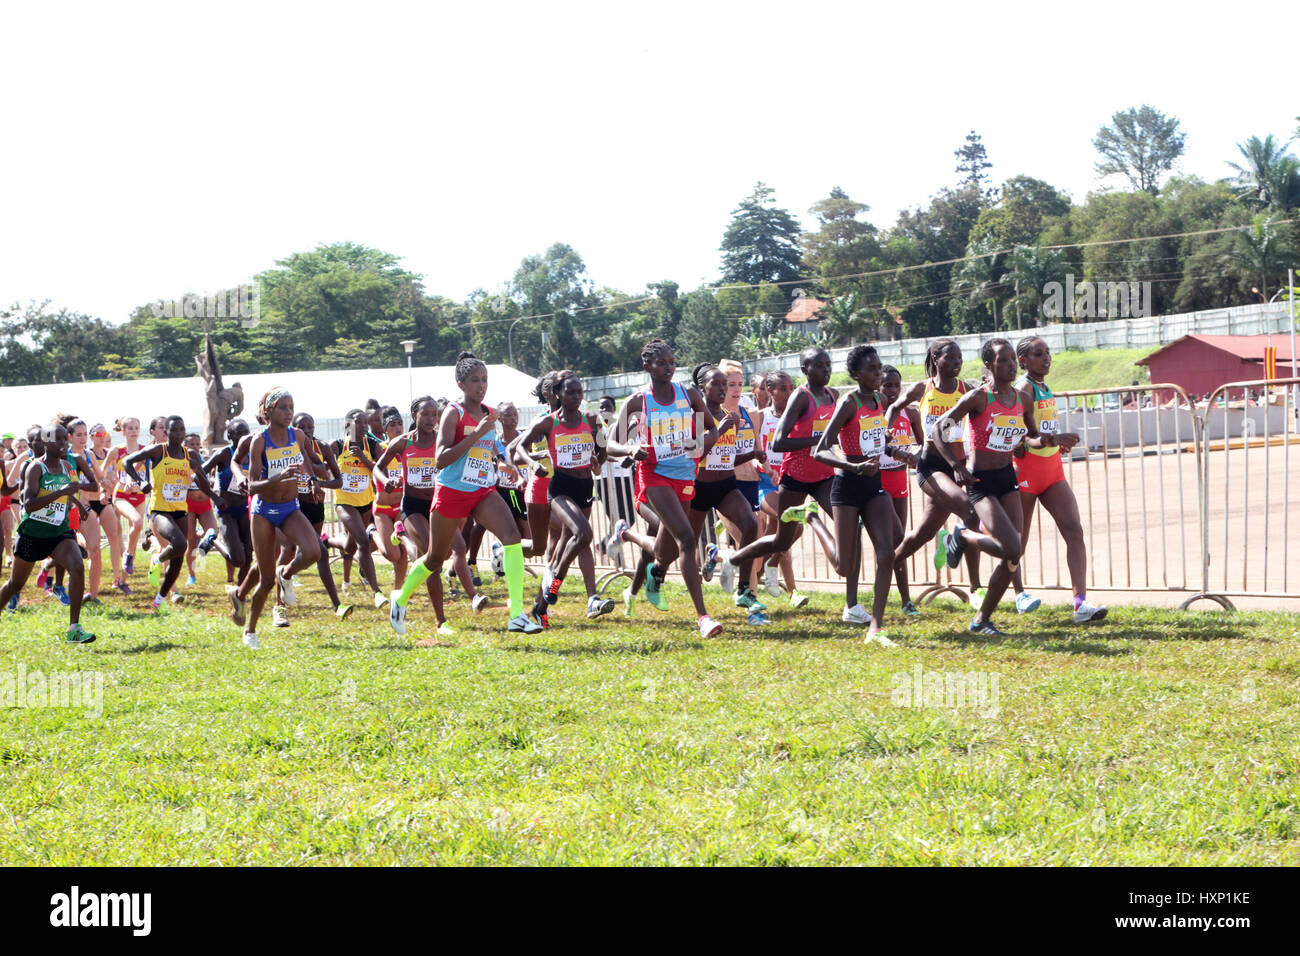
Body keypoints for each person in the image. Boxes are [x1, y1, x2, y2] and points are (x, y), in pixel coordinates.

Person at [388, 352, 541, 637]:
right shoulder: (453, 413)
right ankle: (401, 597)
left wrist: (506, 466)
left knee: (512, 539)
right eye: (474, 380)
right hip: (452, 491)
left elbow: (492, 449)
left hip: (482, 490)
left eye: (484, 380)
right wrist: (475, 434)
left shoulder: (489, 413)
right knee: (435, 558)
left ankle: (517, 614)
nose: (481, 385)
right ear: (461, 384)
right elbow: (441, 458)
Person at [932, 338, 1051, 636]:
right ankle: (962, 535)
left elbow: (1029, 437)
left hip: (1007, 479)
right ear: (989, 365)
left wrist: (1049, 440)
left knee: (1013, 555)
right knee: (1011, 546)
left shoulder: (1023, 400)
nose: (1010, 365)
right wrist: (956, 465)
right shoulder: (978, 398)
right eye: (1003, 361)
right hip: (980, 482)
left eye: (1013, 360)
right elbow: (939, 429)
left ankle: (981, 620)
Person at [607, 339, 722, 637]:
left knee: (665, 552)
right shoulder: (638, 401)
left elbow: (710, 429)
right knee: (686, 538)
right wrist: (630, 450)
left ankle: (626, 534)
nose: (669, 368)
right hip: (654, 475)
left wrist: (698, 444)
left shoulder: (689, 395)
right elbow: (609, 442)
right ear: (647, 367)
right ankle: (703, 618)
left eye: (672, 362)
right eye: (662, 363)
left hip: (684, 474)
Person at [721, 347, 843, 583]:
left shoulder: (833, 395)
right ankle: (736, 562)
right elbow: (774, 444)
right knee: (782, 537)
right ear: (805, 370)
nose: (826, 369)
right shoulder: (785, 404)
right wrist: (821, 439)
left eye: (828, 364)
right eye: (819, 365)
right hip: (784, 479)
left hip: (824, 475)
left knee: (843, 521)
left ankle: (850, 601)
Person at [1010, 336, 1107, 623]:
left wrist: (1057, 441)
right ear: (1023, 361)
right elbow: (1022, 437)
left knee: (1074, 531)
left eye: (1048, 352)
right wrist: (1052, 439)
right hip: (1025, 471)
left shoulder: (1043, 386)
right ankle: (1019, 594)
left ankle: (1080, 605)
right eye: (1039, 354)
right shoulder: (1023, 388)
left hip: (1052, 471)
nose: (1047, 357)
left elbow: (1042, 429)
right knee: (1017, 542)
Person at [812, 346, 904, 643]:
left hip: (873, 484)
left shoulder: (879, 400)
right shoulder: (848, 403)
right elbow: (821, 449)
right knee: (844, 566)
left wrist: (896, 451)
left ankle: (876, 627)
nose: (878, 374)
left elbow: (876, 442)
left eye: (879, 368)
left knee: (888, 549)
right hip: (847, 486)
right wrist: (852, 466)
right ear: (855, 374)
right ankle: (812, 518)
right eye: (871, 369)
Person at [237, 390, 340, 647]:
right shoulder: (259, 441)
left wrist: (314, 482)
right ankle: (250, 631)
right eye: (283, 407)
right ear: (269, 411)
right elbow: (252, 486)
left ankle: (287, 572)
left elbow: (306, 462)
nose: (289, 412)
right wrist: (278, 477)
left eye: (291, 407)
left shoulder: (298, 435)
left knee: (314, 551)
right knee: (266, 579)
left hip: (290, 507)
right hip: (263, 511)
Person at [513, 371, 617, 620]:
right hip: (560, 488)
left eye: (580, 392)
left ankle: (541, 607)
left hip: (585, 487)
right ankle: (563, 581)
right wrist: (532, 463)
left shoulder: (591, 419)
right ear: (558, 394)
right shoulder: (547, 422)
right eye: (570, 392)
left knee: (568, 546)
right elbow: (518, 447)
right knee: (584, 535)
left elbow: (602, 449)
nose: (576, 396)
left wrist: (597, 457)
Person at [886, 338, 985, 600]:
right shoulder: (923, 388)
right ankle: (976, 589)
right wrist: (885, 429)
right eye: (949, 358)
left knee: (925, 532)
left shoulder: (967, 389)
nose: (956, 363)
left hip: (959, 466)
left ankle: (886, 566)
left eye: (959, 358)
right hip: (931, 465)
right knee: (969, 512)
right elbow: (895, 407)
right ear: (935, 359)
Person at [0, 424, 99, 642]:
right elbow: (29, 504)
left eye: (66, 439)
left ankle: (74, 628)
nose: (64, 443)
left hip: (58, 533)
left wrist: (76, 502)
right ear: (46, 442)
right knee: (15, 585)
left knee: (77, 567)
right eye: (59, 439)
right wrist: (63, 492)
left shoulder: (66, 466)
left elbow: (67, 487)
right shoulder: (36, 468)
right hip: (32, 533)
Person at [689, 362, 768, 625]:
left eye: (727, 384)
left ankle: (744, 589)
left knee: (750, 525)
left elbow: (726, 458)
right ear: (703, 388)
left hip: (726, 485)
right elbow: (695, 453)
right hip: (699, 488)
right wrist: (720, 428)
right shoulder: (696, 417)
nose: (723, 389)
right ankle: (659, 570)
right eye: (717, 384)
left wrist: (752, 454)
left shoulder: (729, 416)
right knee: (685, 545)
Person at [123, 416, 223, 612]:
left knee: (178, 558)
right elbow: (127, 461)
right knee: (179, 544)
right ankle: (156, 559)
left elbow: (201, 478)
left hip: (180, 510)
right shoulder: (158, 451)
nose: (178, 433)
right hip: (159, 510)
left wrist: (213, 496)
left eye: (181, 430)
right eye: (174, 430)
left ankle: (160, 597)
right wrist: (140, 481)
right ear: (166, 433)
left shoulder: (190, 455)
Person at [753, 370, 806, 607]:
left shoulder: (798, 417)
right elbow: (753, 450)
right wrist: (762, 466)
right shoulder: (761, 417)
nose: (788, 392)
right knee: (793, 524)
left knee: (777, 534)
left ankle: (754, 574)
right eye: (783, 388)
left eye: (791, 387)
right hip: (765, 483)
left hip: (789, 483)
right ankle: (770, 570)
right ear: (770, 390)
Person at [878, 366, 922, 617]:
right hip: (876, 483)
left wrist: (916, 454)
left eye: (896, 385)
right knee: (889, 540)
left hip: (899, 482)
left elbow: (923, 444)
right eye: (887, 385)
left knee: (899, 542)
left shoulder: (911, 413)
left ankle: (905, 600)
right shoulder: (874, 414)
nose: (893, 391)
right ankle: (874, 601)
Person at [201, 419, 253, 621]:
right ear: (230, 436)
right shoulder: (224, 454)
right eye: (238, 433)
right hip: (226, 511)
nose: (243, 437)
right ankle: (212, 539)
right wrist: (215, 497)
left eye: (246, 432)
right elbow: (199, 474)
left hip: (246, 510)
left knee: (248, 559)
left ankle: (239, 597)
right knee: (237, 559)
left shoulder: (254, 452)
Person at [111, 416, 150, 577]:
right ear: (123, 431)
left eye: (136, 428)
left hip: (139, 495)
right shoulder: (116, 450)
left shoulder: (145, 450)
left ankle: (124, 578)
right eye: (130, 428)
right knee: (134, 523)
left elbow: (149, 471)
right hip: (120, 494)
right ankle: (122, 563)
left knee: (136, 529)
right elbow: (101, 470)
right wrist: (104, 486)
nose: (134, 431)